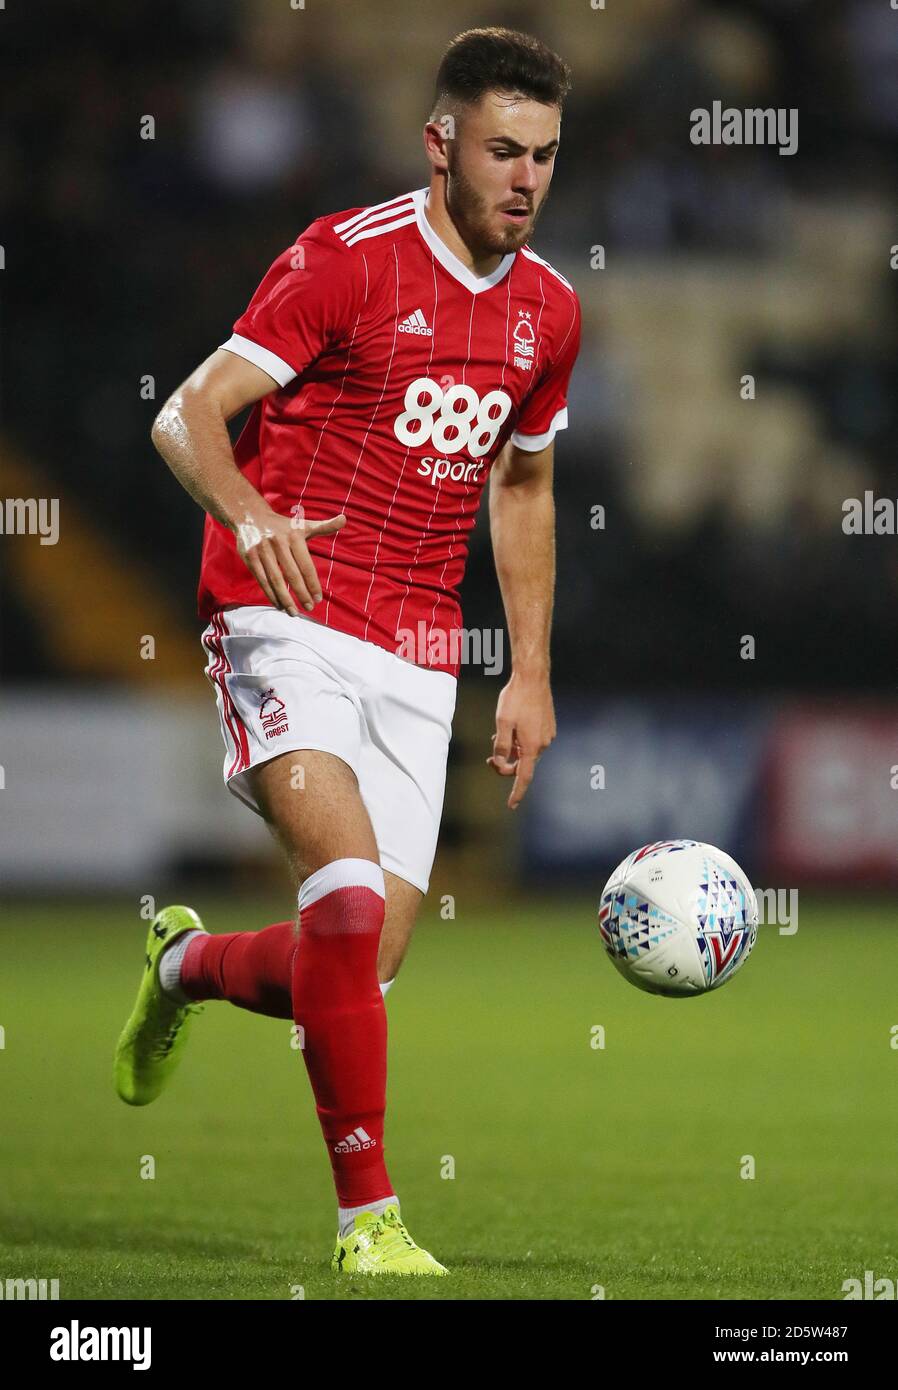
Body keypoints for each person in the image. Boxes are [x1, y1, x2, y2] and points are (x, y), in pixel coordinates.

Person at [115, 26, 581, 1278]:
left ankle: (185, 963)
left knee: (358, 962)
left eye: (543, 154)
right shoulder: (345, 258)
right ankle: (368, 1221)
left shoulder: (550, 310)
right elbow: (187, 413)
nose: (525, 179)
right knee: (347, 896)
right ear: (440, 143)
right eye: (502, 150)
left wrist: (530, 670)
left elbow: (524, 485)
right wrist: (249, 513)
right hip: (285, 616)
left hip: (420, 653)